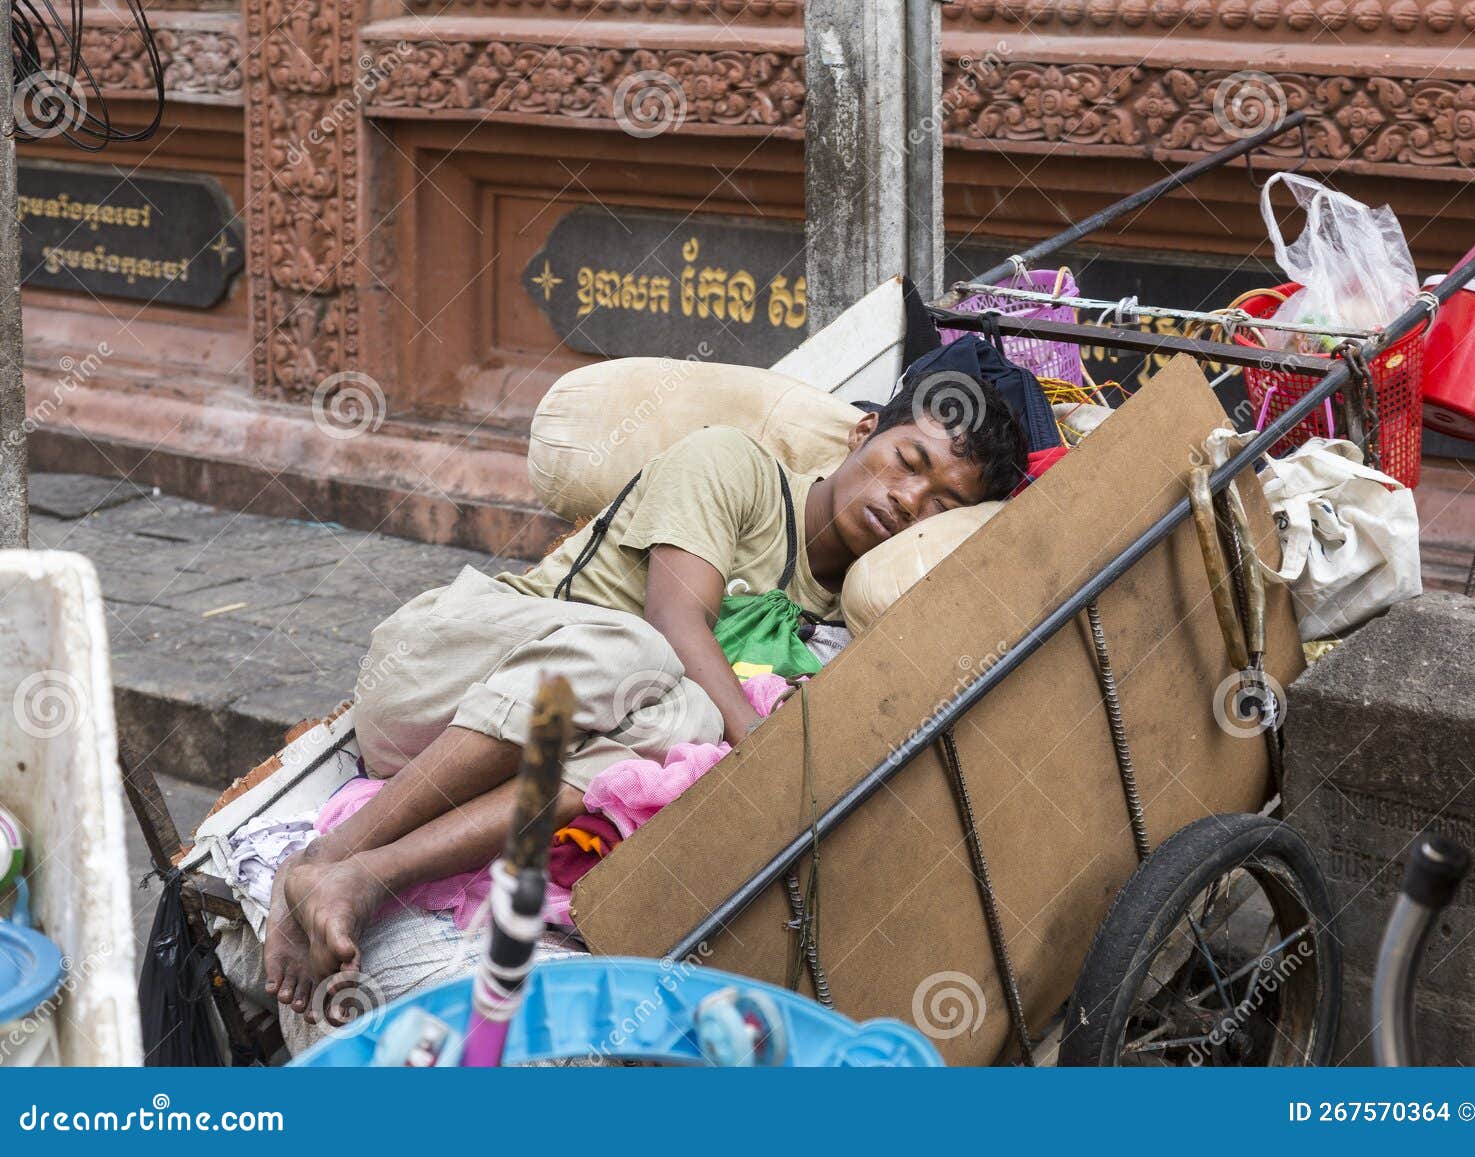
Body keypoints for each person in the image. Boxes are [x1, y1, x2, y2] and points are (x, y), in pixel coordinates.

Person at [263, 372, 1027, 1018]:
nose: (907, 499)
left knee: (687, 725)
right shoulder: (735, 467)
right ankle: (327, 855)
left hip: (523, 753)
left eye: (939, 502)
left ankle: (363, 877)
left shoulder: (847, 612)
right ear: (865, 432)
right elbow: (676, 619)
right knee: (648, 654)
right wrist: (762, 750)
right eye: (908, 460)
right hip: (435, 675)